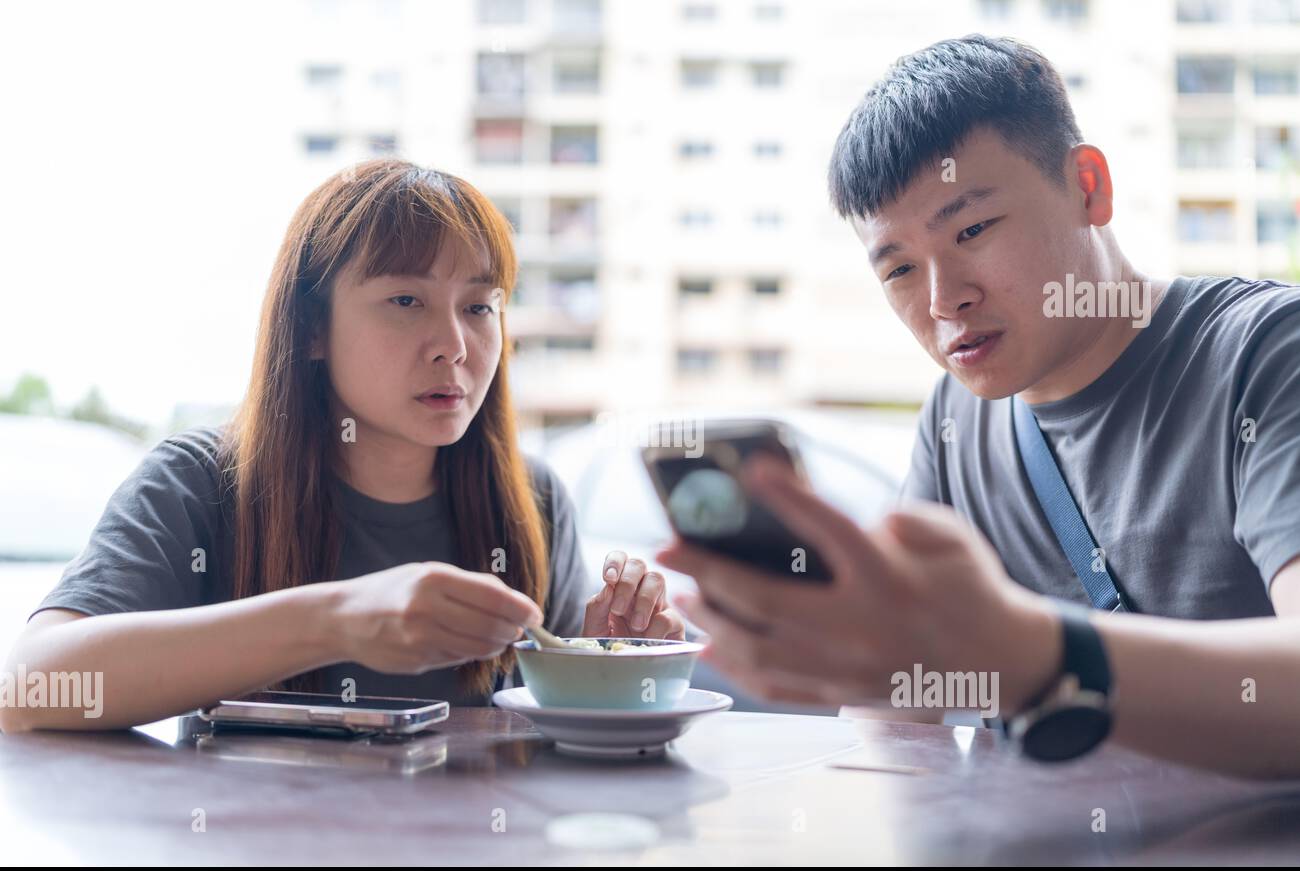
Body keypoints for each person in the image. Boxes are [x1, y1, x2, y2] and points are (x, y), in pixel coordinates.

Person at [658, 35, 1300, 780]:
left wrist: (1031, 653)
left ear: (1089, 186)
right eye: (898, 267)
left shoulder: (1265, 353)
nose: (943, 299)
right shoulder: (956, 421)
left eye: (971, 230)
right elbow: (895, 719)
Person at [1, 160, 682, 733]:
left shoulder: (532, 500)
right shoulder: (201, 484)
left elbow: (554, 749)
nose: (454, 344)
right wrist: (335, 619)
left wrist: (611, 668)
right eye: (405, 301)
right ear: (311, 330)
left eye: (479, 306)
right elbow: (27, 690)